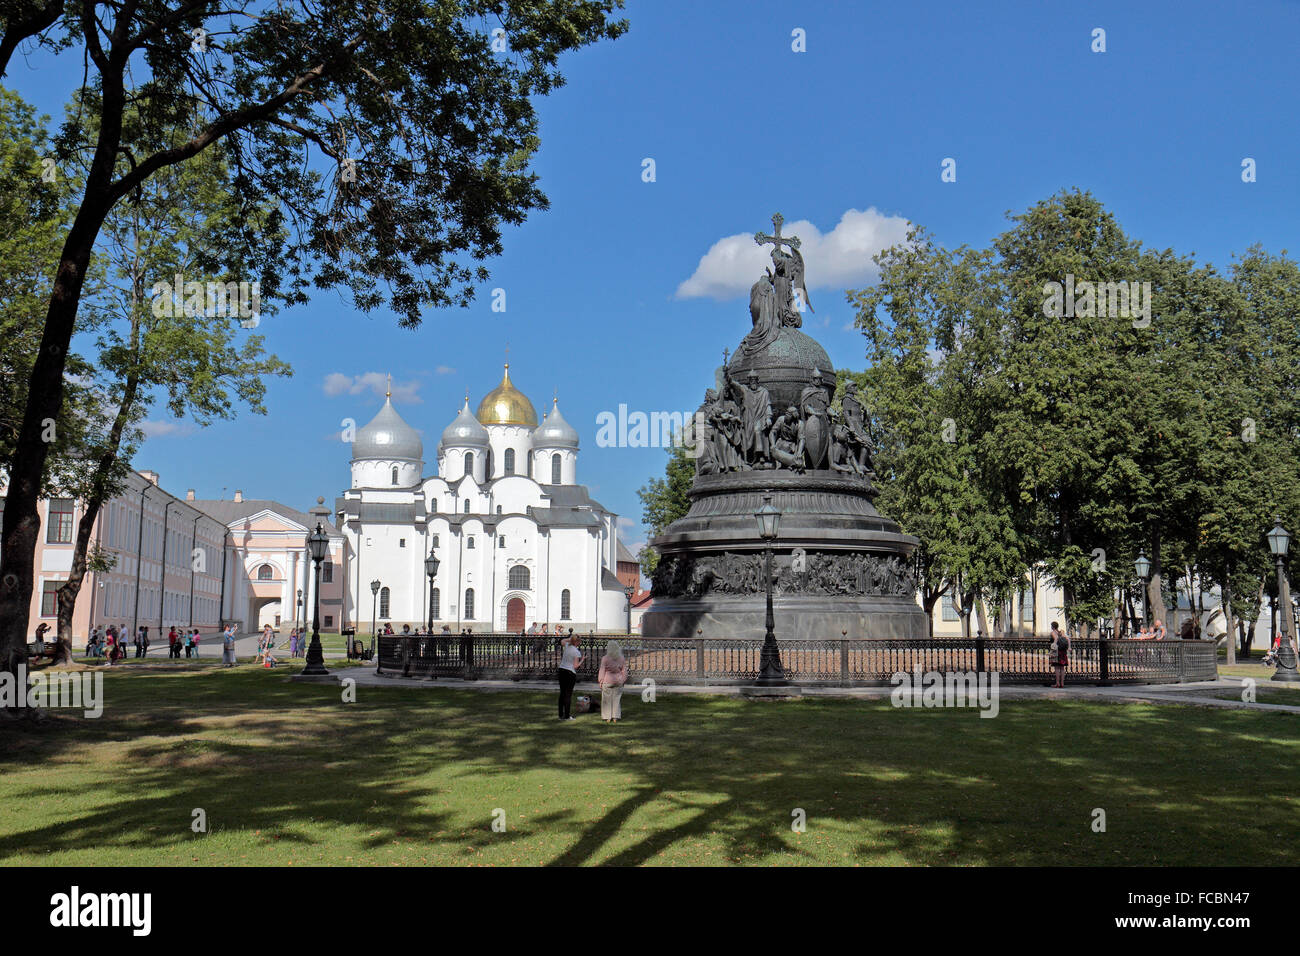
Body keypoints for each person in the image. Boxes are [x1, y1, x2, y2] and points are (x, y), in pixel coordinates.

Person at [598, 640, 628, 724]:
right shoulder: (621, 658)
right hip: (618, 680)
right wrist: (623, 680)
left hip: (607, 681)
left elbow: (602, 670)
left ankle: (607, 717)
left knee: (606, 700)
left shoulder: (605, 658)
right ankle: (615, 717)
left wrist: (600, 680)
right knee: (616, 699)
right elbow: (624, 670)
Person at [557, 634, 582, 721]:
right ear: (577, 642)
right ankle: (567, 716)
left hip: (561, 670)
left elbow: (562, 641)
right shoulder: (576, 652)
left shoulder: (567, 646)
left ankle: (560, 715)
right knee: (568, 695)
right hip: (570, 672)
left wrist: (569, 639)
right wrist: (582, 660)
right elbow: (575, 666)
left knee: (562, 693)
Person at [1049, 621, 1069, 688]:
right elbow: (1068, 639)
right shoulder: (1061, 632)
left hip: (1057, 651)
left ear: (1053, 626)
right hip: (1063, 651)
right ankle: (1062, 684)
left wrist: (1053, 647)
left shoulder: (1053, 632)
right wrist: (1069, 647)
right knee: (1062, 668)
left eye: (1051, 626)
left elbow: (1056, 639)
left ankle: (1057, 684)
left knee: (1057, 668)